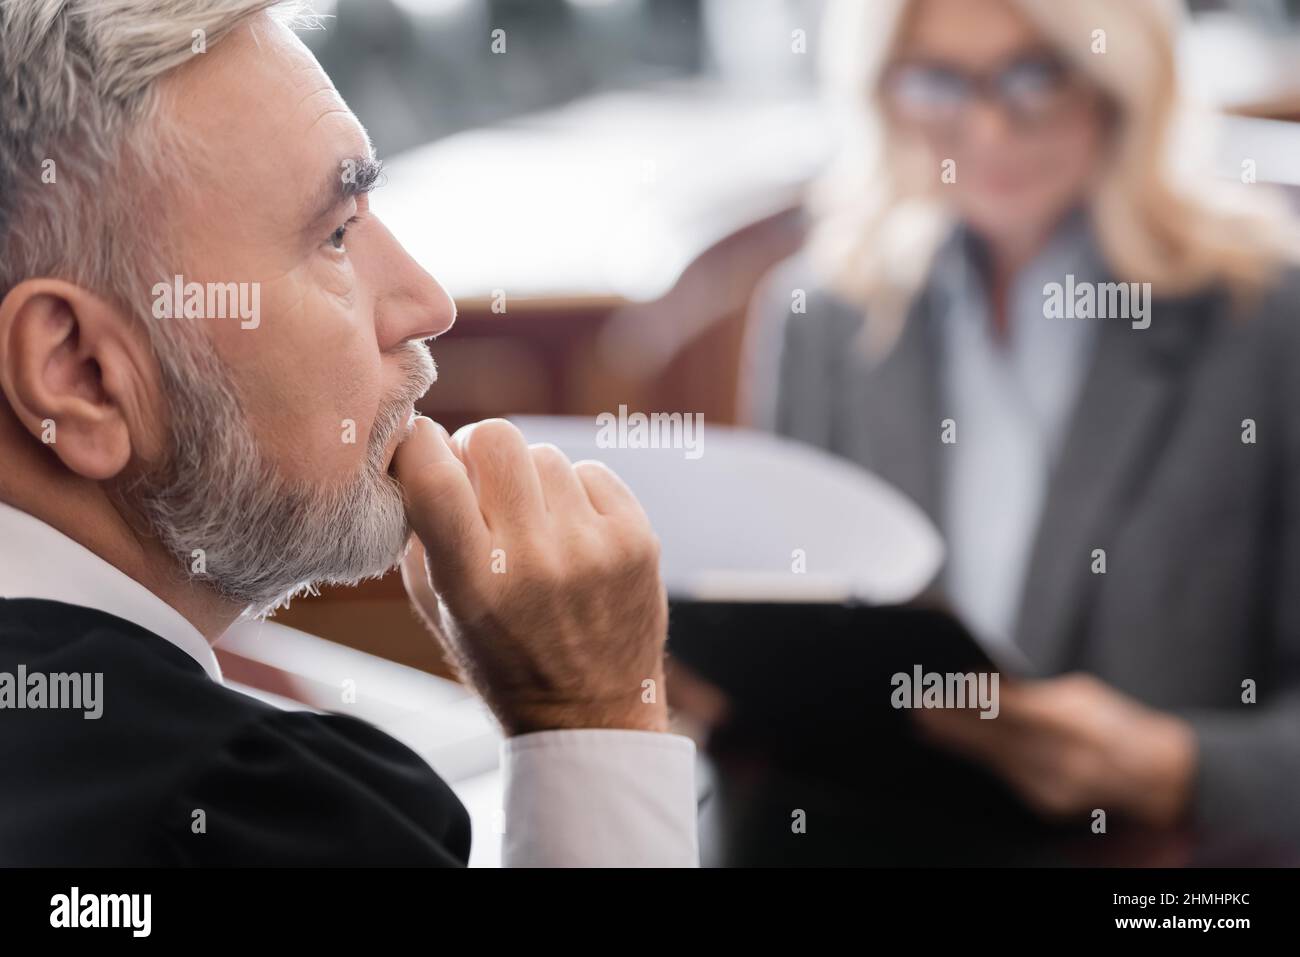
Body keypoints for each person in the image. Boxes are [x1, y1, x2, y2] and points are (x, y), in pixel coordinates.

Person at [0, 0, 696, 867]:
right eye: (334, 233)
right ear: (80, 374)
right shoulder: (255, 813)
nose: (425, 303)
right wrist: (594, 717)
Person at [748, 0, 1300, 851]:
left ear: (1120, 78)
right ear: (881, 90)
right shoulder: (821, 314)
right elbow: (787, 637)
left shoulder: (1265, 314)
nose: (990, 128)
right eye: (938, 81)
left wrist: (1180, 766)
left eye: (1036, 76)